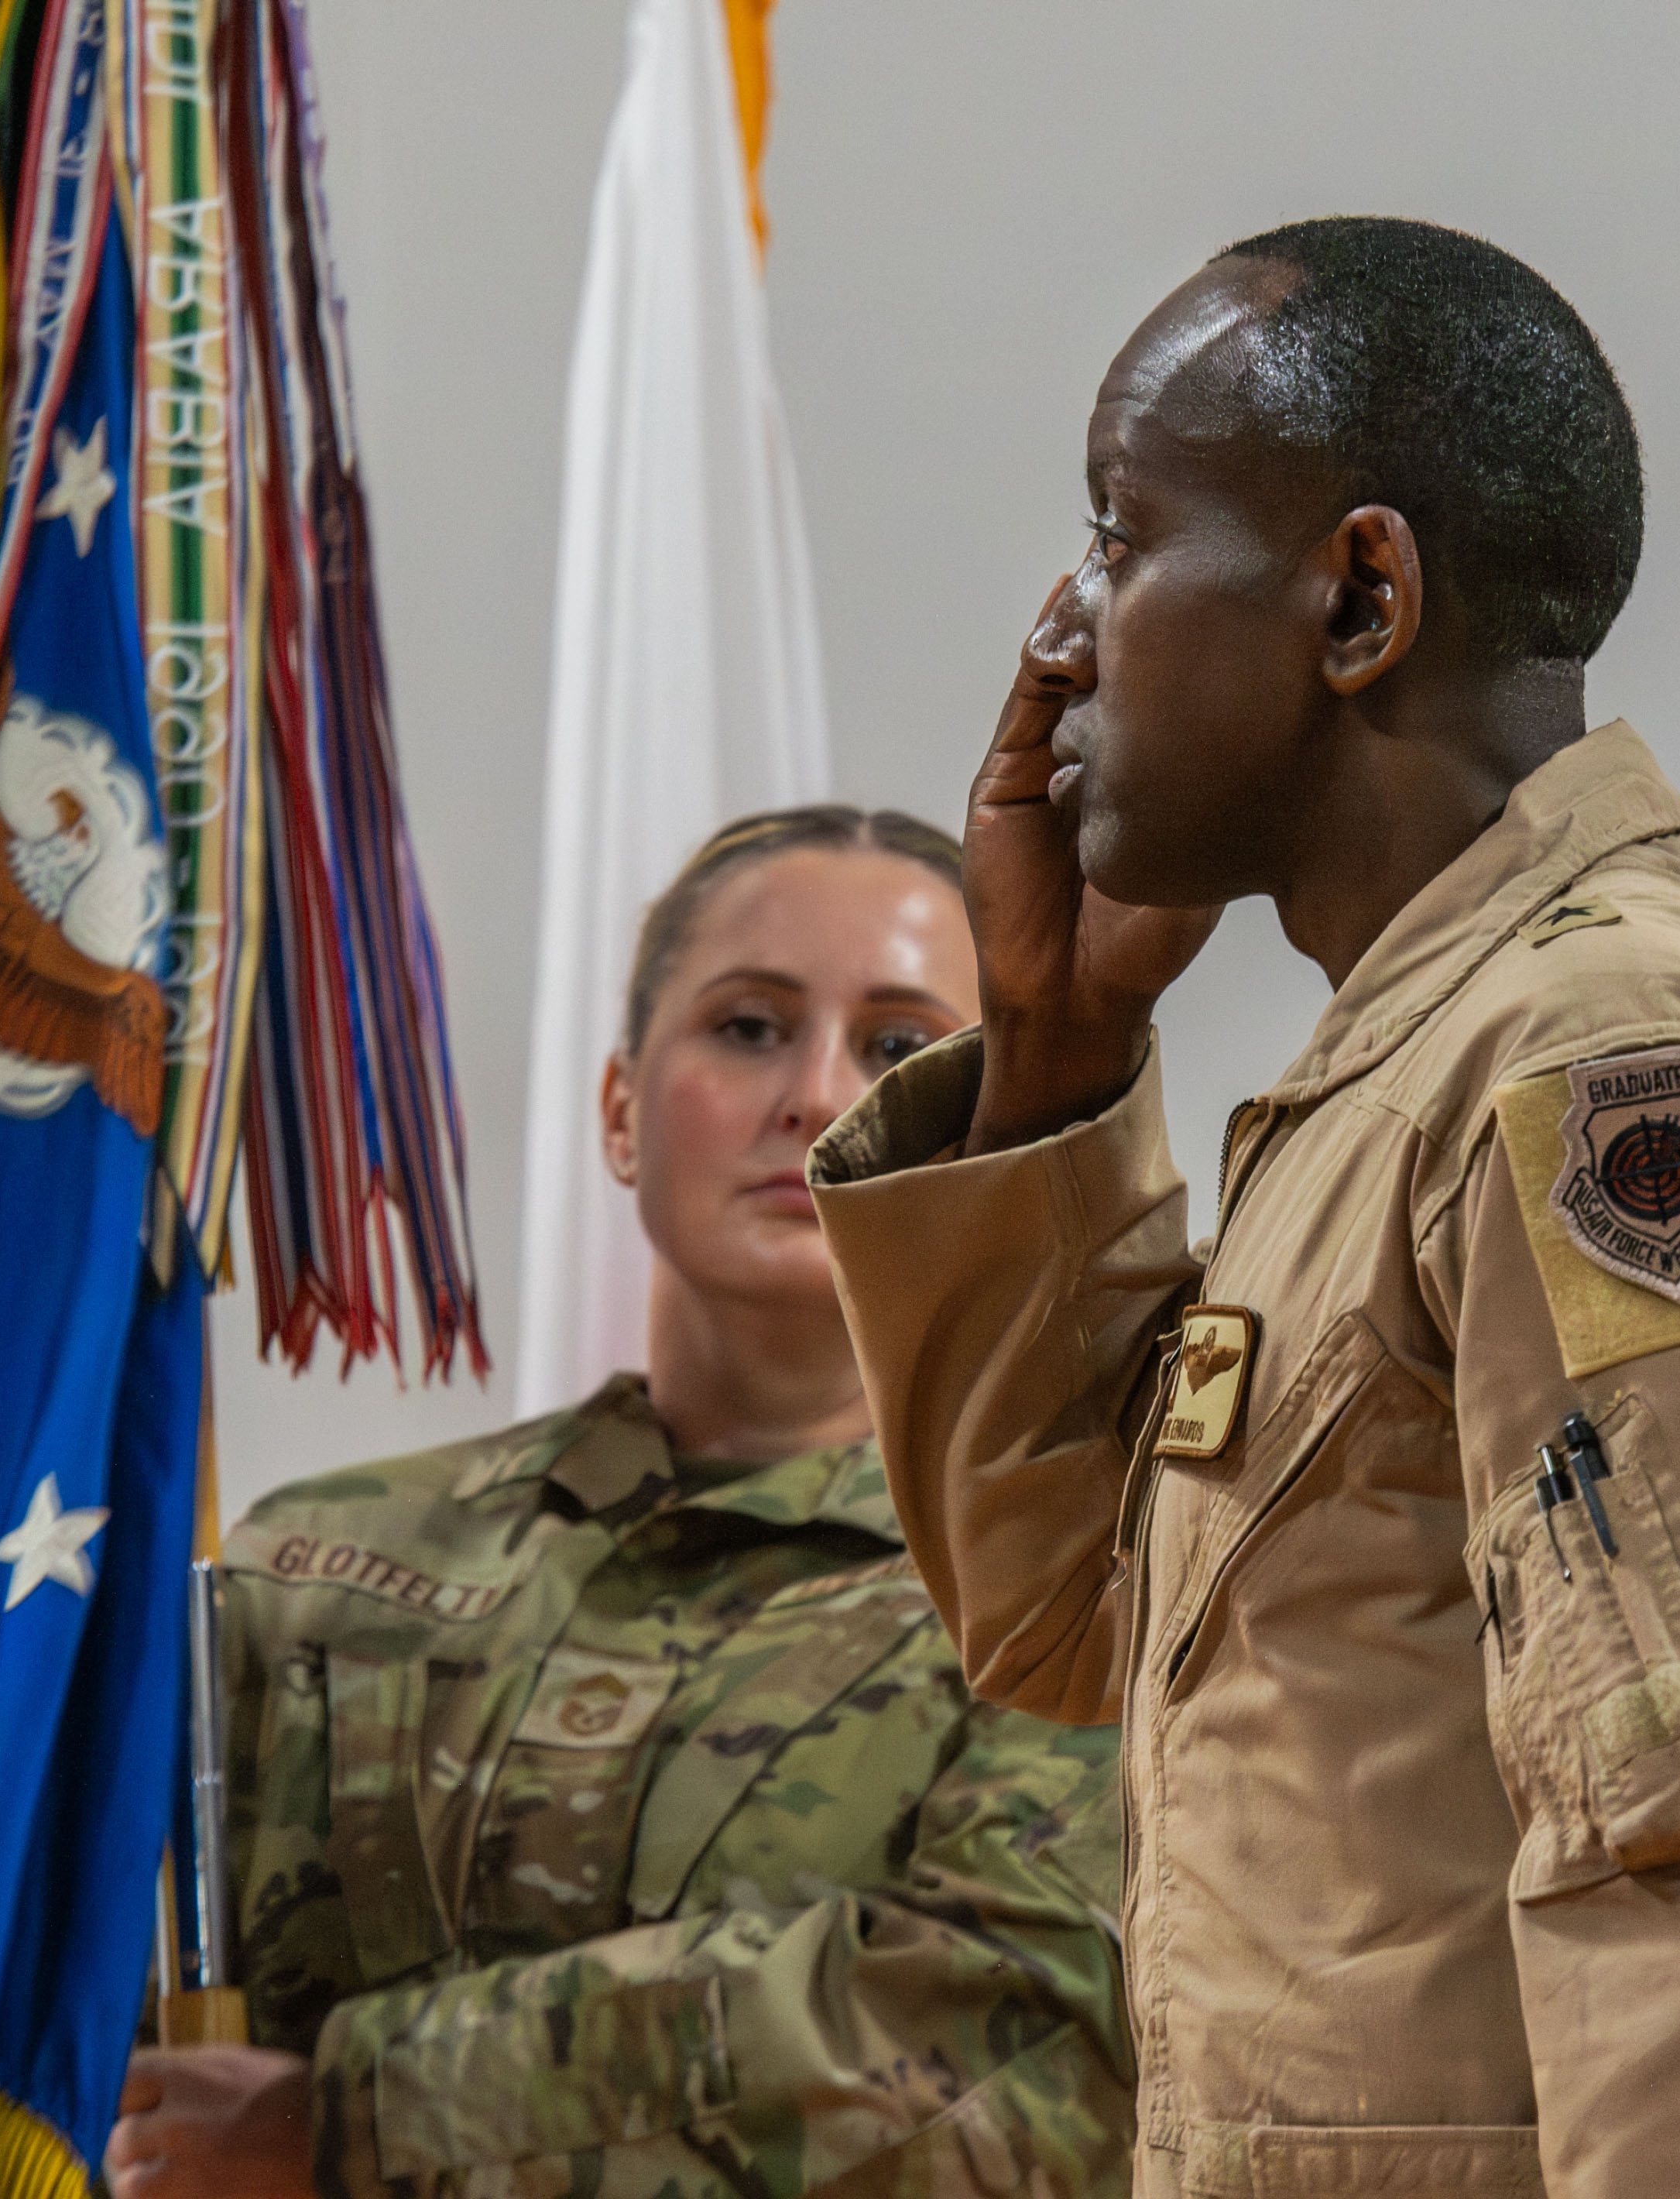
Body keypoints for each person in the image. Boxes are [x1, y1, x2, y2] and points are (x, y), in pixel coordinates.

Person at [807, 220, 1680, 2197]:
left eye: (1119, 534)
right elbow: (1061, 1620)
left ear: (1361, 598)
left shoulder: (1594, 1054)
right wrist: (1055, 1048)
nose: (1061, 632)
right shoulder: (1413, 1063)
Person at [107, 807, 1134, 2199]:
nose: (814, 1095)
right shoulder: (310, 1573)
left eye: (900, 1047)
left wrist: (356, 2121)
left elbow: (1017, 2030)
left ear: (989, 1133)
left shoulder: (1071, 1590)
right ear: (618, 1112)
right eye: (749, 1027)